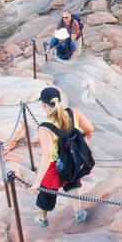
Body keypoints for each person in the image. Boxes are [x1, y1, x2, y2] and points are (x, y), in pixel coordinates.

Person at [33, 86, 95, 227]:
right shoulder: (73, 113)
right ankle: (78, 212)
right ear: (59, 101)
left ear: (44, 105)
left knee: (47, 191)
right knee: (72, 182)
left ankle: (42, 219)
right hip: (73, 160)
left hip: (55, 166)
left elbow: (47, 155)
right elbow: (90, 129)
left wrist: (37, 181)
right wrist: (85, 139)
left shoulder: (45, 128)